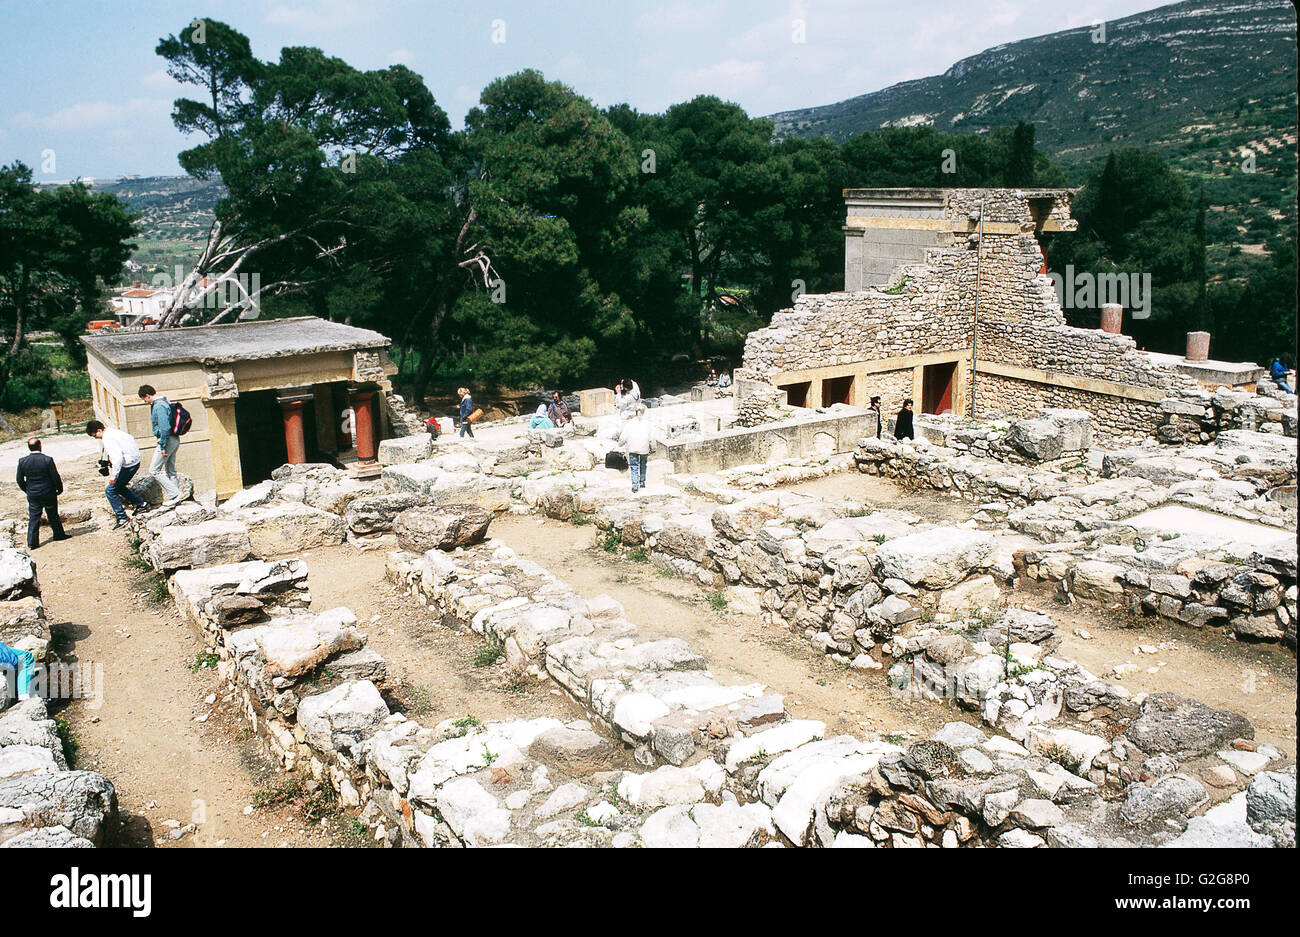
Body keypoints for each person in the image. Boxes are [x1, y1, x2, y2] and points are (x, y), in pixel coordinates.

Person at [86, 419, 147, 528]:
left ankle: (122, 517)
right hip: (134, 461)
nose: (96, 438)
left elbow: (118, 458)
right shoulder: (114, 432)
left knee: (110, 489)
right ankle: (141, 504)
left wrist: (113, 476)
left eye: (95, 435)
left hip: (128, 465)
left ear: (99, 430)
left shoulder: (107, 438)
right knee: (119, 487)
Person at [15, 438, 67, 550]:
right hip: (48, 491)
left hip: (33, 493)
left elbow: (19, 479)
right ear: (40, 446)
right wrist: (59, 488)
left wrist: (27, 490)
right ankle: (58, 535)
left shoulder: (22, 461)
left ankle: (32, 542)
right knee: (53, 514)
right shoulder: (47, 460)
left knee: (34, 517)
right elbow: (55, 477)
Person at [138, 385, 183, 506]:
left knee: (154, 470)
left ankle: (175, 495)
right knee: (170, 469)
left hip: (167, 440)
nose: (144, 402)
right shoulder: (165, 402)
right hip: (174, 439)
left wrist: (162, 446)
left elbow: (164, 427)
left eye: (144, 399)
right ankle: (176, 500)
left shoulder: (159, 406)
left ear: (147, 396)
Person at [617, 404, 654, 493]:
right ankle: (642, 482)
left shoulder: (630, 423)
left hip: (632, 448)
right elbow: (652, 438)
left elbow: (623, 437)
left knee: (634, 466)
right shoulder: (648, 424)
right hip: (644, 448)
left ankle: (635, 486)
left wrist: (620, 444)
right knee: (643, 465)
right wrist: (653, 448)